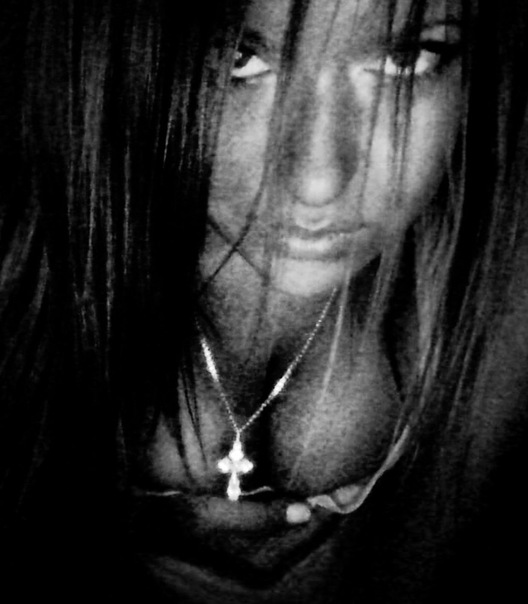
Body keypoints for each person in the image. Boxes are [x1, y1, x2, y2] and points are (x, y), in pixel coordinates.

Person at [1, 0, 528, 602]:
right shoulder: (30, 259)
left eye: (406, 59)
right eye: (236, 60)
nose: (318, 181)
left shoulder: (501, 293)